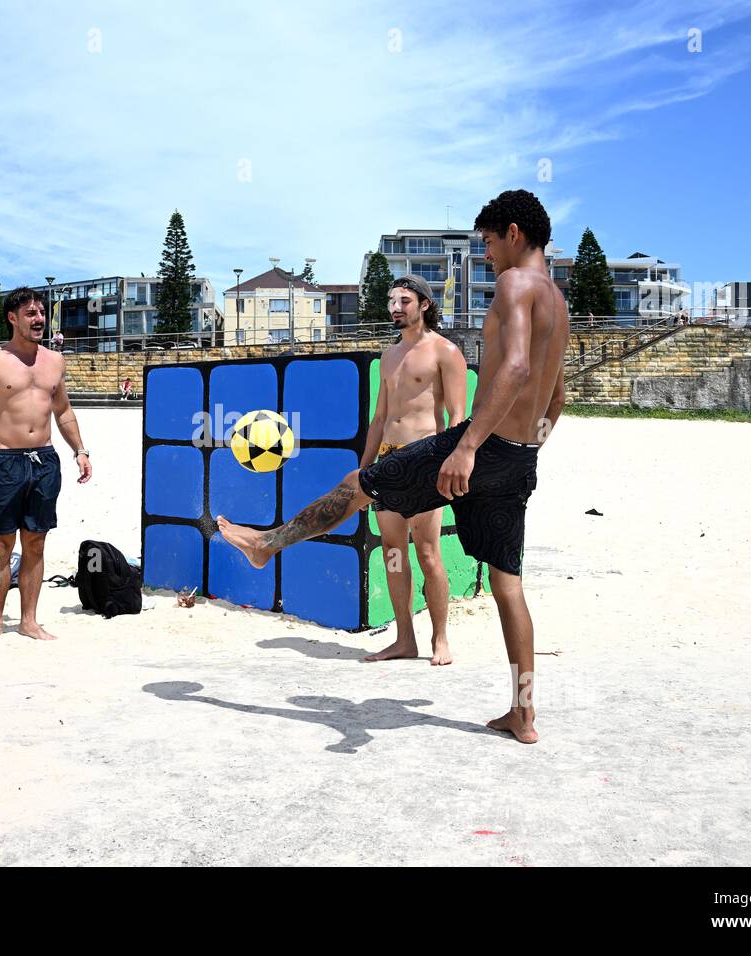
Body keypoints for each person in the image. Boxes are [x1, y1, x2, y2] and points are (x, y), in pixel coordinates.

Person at [218, 189, 568, 744]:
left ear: (515, 234)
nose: (488, 255)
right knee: (508, 586)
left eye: (489, 242)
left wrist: (471, 445)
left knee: (358, 485)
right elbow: (557, 395)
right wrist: (531, 446)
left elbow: (519, 368)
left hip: (484, 446)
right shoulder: (557, 299)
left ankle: (267, 545)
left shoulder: (515, 283)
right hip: (520, 458)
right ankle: (523, 715)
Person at [0, 286, 93, 642]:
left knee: (36, 543)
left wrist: (80, 450)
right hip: (5, 460)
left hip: (44, 460)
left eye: (41, 313)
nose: (39, 319)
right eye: (30, 313)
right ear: (12, 318)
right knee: (1, 545)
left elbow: (63, 411)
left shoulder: (55, 361)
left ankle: (29, 621)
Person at [361, 275, 468, 666]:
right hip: (388, 461)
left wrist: (452, 462)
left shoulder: (445, 352)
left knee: (427, 552)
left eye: (403, 300)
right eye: (391, 301)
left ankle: (440, 637)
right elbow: (379, 418)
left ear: (423, 304)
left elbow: (458, 417)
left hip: (425, 461)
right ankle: (404, 638)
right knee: (392, 552)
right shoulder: (388, 357)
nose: (394, 307)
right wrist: (364, 472)